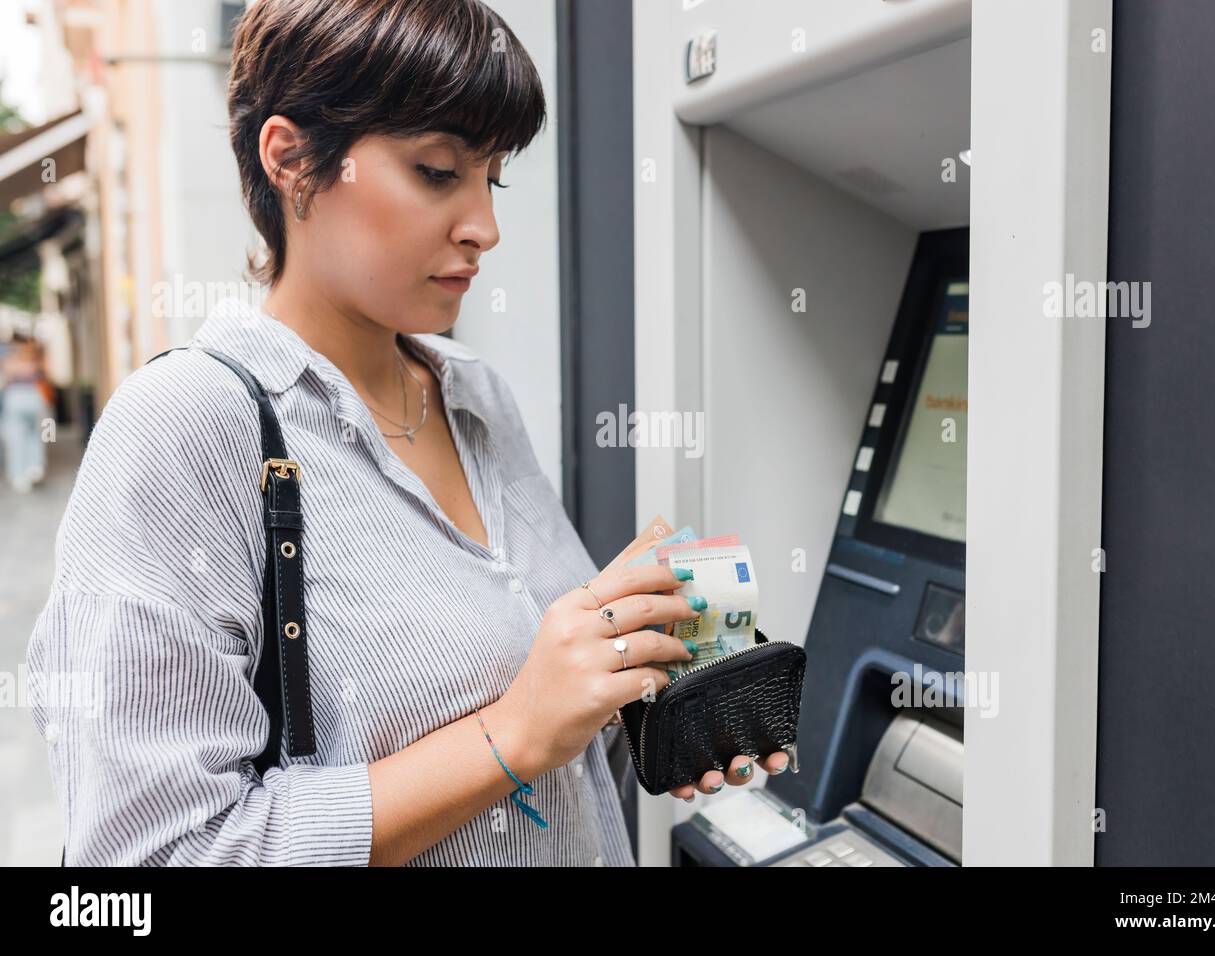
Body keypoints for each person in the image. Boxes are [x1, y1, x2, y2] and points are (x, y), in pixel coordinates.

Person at [26, 0, 788, 867]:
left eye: (492, 178)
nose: (484, 227)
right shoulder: (186, 429)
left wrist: (633, 689)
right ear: (293, 161)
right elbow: (148, 860)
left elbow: (539, 710)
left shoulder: (476, 396)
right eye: (436, 171)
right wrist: (511, 735)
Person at [1, 333, 52, 492]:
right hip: (33, 398)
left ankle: (19, 475)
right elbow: (44, 375)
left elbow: (6, 376)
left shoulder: (9, 358)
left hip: (16, 398)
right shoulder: (36, 357)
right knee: (35, 435)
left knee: (17, 439)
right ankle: (34, 466)